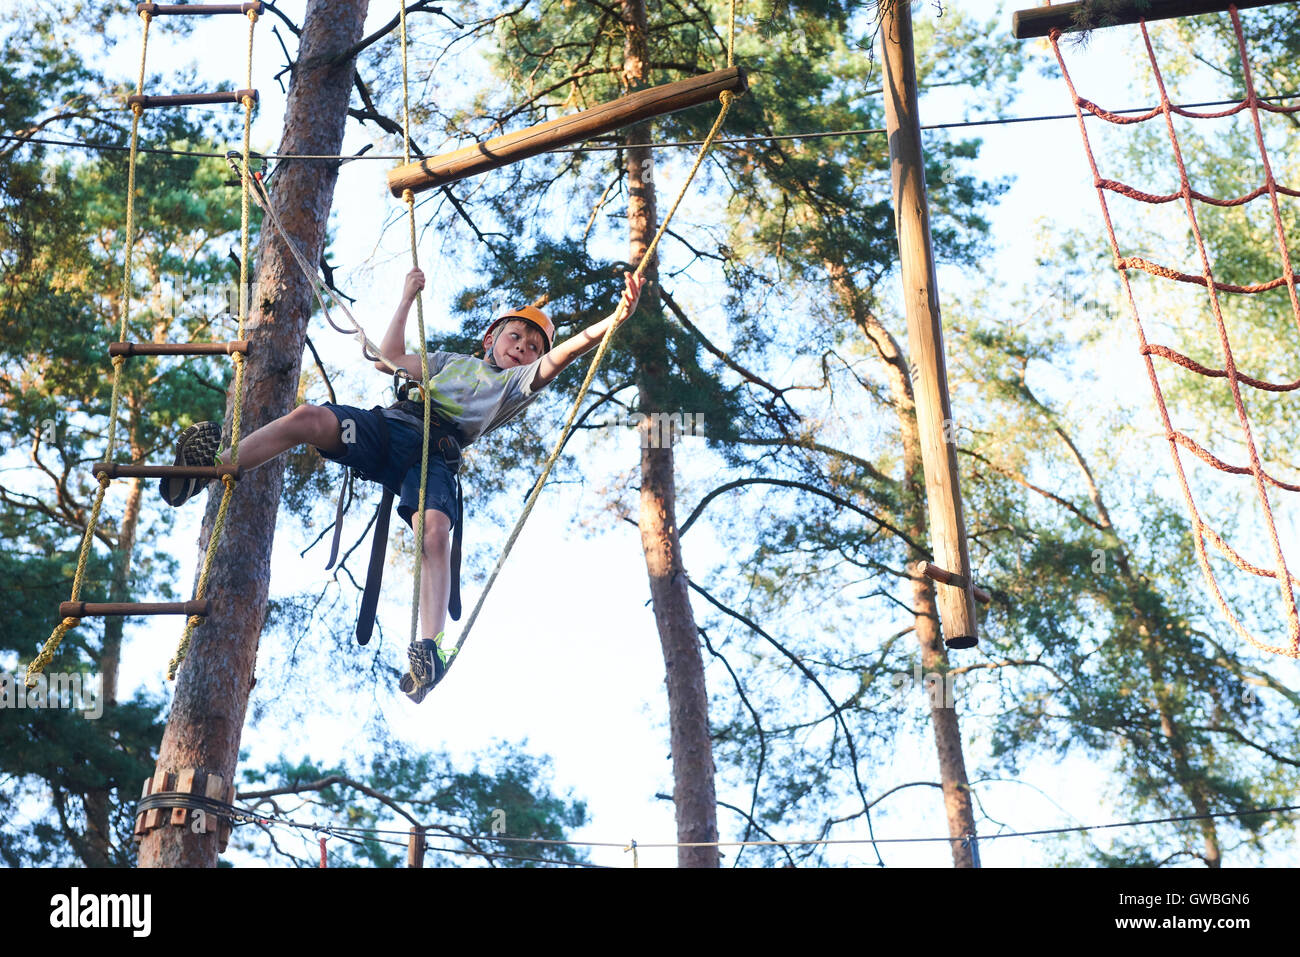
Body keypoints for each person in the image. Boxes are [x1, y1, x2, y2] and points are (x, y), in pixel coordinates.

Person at [161, 266, 644, 702]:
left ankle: (426, 649)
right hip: (389, 429)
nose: (523, 348)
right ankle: (210, 471)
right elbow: (384, 356)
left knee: (434, 531)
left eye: (531, 346)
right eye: (515, 337)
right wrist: (407, 294)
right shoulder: (449, 362)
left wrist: (612, 321)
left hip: (434, 457)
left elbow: (563, 355)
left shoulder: (515, 387)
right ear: (490, 338)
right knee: (309, 417)